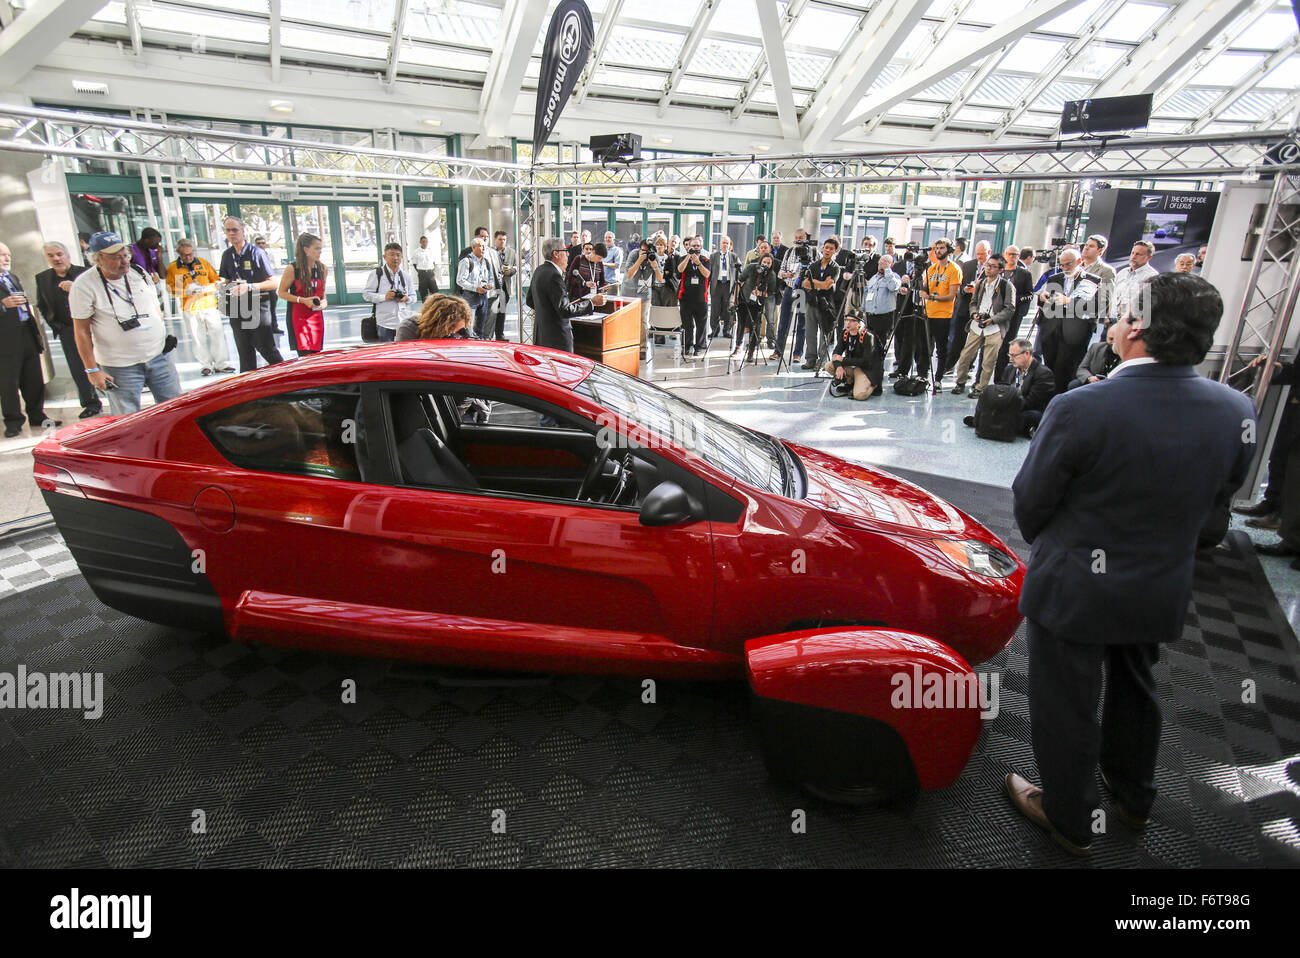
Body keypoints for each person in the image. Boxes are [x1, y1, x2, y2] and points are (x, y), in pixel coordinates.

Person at [1004, 274, 1256, 857]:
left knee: (1067, 700)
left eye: (1119, 315)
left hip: (1073, 590)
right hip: (1159, 586)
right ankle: (1133, 798)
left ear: (1137, 328)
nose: (1112, 323)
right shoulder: (1235, 409)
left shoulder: (1079, 408)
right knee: (1136, 688)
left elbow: (1030, 503)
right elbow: (1217, 518)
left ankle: (1068, 817)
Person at [69, 231, 181, 416]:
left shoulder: (138, 273)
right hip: (120, 366)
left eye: (125, 255)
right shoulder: (83, 285)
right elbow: (81, 331)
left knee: (175, 410)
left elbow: (154, 308)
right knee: (127, 418)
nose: (124, 261)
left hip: (158, 356)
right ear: (98, 260)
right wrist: (92, 370)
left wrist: (160, 334)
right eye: (116, 258)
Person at [1238, 352, 1300, 542]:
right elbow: (1297, 372)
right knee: (1280, 455)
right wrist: (1277, 370)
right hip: (1295, 403)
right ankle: (1272, 503)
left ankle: (1283, 518)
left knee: (1294, 466)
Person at [36, 241, 101, 417]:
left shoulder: (85, 274)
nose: (56, 258)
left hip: (93, 328)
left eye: (59, 254)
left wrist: (75, 289)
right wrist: (56, 326)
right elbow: (42, 305)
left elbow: (97, 296)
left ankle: (113, 394)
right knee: (78, 368)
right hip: (67, 330)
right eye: (50, 255)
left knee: (103, 362)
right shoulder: (42, 278)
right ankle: (91, 403)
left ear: (67, 255)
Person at [0, 242, 58, 437]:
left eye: (8, 254)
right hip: (5, 340)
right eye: (2, 255)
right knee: (9, 382)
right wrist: (2, 305)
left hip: (26, 333)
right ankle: (13, 421)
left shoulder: (12, 277)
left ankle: (37, 414)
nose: (7, 258)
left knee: (33, 378)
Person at [217, 216, 284, 372]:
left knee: (266, 348)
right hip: (236, 305)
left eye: (235, 229)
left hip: (256, 302)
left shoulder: (257, 253)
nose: (232, 233)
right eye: (228, 230)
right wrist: (220, 287)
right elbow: (226, 280)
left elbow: (273, 282)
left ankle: (287, 378)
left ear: (243, 230)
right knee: (244, 350)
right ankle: (248, 389)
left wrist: (250, 287)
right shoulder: (227, 255)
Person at [1035, 248, 1101, 396]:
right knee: (1050, 366)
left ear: (1079, 262)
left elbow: (1094, 307)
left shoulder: (1092, 280)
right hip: (1051, 330)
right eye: (1062, 265)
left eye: (1068, 265)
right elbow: (1046, 304)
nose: (1064, 268)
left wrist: (1069, 301)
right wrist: (1043, 298)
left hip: (1075, 333)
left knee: (1068, 369)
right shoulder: (1054, 278)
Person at [164, 238, 230, 377]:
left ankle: (221, 363)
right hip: (190, 307)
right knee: (197, 337)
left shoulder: (203, 263)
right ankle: (205, 365)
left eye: (190, 254)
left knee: (217, 334)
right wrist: (186, 292)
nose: (188, 257)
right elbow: (171, 289)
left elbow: (217, 281)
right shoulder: (173, 268)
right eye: (184, 255)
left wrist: (207, 288)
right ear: (179, 254)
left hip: (209, 304)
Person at [952, 253, 1015, 398]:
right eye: (987, 265)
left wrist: (993, 319)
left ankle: (981, 388)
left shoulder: (1007, 286)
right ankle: (960, 382)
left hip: (995, 327)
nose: (989, 269)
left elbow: (1010, 308)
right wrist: (974, 314)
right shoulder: (980, 283)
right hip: (977, 325)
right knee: (965, 356)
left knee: (988, 361)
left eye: (993, 267)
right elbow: (973, 303)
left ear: (1000, 270)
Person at [526, 237, 604, 353]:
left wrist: (548, 314)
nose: (568, 254)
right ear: (555, 254)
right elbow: (565, 310)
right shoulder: (554, 276)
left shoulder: (539, 270)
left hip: (541, 336)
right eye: (565, 251)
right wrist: (592, 302)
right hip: (557, 340)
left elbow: (530, 301)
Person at [963, 338, 1054, 438]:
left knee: (1031, 416)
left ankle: (984, 421)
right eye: (1010, 355)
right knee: (986, 399)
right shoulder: (1010, 369)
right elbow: (1002, 389)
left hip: (1026, 408)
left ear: (1027, 353)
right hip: (1009, 404)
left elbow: (1032, 402)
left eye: (1014, 355)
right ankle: (990, 421)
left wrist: (1005, 406)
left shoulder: (1043, 373)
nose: (1011, 359)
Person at [918, 238, 961, 392]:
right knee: (924, 347)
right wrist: (923, 292)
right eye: (937, 248)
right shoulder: (930, 269)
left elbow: (951, 295)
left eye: (942, 248)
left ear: (949, 250)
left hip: (944, 315)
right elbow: (925, 289)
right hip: (928, 313)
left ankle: (939, 378)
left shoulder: (954, 269)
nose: (938, 251)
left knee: (941, 349)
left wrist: (932, 297)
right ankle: (922, 375)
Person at [276, 233, 331, 354]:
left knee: (316, 354)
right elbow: (281, 292)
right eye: (316, 248)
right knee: (305, 353)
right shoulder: (293, 269)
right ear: (306, 249)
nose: (320, 252)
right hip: (299, 317)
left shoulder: (323, 269)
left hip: (316, 316)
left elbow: (323, 293)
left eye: (321, 248)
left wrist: (324, 302)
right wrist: (303, 300)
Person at [800, 238, 842, 371]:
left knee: (825, 332)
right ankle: (810, 359)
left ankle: (822, 360)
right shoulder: (813, 265)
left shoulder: (835, 268)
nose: (828, 250)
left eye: (831, 248)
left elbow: (828, 285)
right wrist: (821, 284)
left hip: (826, 304)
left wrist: (815, 283)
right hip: (811, 301)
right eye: (826, 247)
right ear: (822, 248)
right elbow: (805, 283)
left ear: (835, 251)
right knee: (810, 331)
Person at [732, 251, 779, 361]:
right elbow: (739, 281)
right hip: (744, 300)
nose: (766, 265)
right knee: (741, 324)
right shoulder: (751, 268)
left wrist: (761, 293)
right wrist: (734, 300)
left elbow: (771, 292)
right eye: (764, 262)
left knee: (755, 327)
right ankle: (738, 346)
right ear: (760, 261)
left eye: (768, 263)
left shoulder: (771, 275)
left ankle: (751, 352)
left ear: (771, 264)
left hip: (757, 303)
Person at [825, 312, 880, 400]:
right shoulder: (845, 333)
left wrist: (843, 359)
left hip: (867, 370)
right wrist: (839, 366)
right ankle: (850, 383)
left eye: (852, 320)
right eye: (846, 320)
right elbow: (836, 353)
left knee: (859, 395)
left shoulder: (868, 336)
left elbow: (866, 362)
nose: (848, 323)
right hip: (854, 366)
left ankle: (873, 386)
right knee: (829, 366)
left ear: (859, 323)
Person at [858, 252, 901, 361]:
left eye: (885, 263)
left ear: (891, 264)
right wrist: (862, 310)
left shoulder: (894, 277)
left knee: (879, 344)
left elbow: (893, 287)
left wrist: (887, 271)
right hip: (870, 315)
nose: (882, 265)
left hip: (884, 316)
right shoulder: (874, 278)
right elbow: (867, 294)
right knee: (869, 343)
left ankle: (878, 367)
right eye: (880, 263)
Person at [1109, 240, 1158, 330]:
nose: (1133, 257)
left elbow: (1149, 304)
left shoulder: (1152, 276)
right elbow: (1113, 295)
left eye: (1139, 254)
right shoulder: (1122, 272)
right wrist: (1108, 316)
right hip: (1111, 322)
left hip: (1131, 324)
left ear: (1149, 257)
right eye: (1133, 253)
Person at [456, 235, 498, 339]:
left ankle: (480, 343)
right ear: (474, 247)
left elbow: (491, 278)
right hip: (470, 296)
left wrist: (489, 285)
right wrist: (475, 288)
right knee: (468, 326)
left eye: (484, 246)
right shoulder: (466, 261)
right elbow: (460, 280)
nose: (483, 249)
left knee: (481, 325)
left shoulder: (486, 262)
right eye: (480, 246)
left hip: (483, 296)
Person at [675, 236, 711, 357]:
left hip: (701, 297)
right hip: (685, 297)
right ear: (688, 247)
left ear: (701, 247)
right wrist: (688, 258)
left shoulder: (705, 260)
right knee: (687, 324)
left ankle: (699, 346)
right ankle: (686, 346)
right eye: (693, 246)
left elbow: (707, 274)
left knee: (701, 324)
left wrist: (698, 263)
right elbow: (679, 271)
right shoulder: (682, 258)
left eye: (697, 246)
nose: (695, 248)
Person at [397, 292, 472, 342]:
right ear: (438, 325)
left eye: (458, 331)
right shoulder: (409, 328)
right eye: (451, 328)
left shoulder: (462, 329)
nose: (454, 334)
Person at [1068, 323, 1121, 389]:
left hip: (1112, 386)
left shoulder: (1126, 354)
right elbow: (1082, 369)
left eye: (1116, 339)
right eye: (1110, 339)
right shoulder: (1095, 347)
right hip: (1093, 383)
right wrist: (1090, 378)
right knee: (1074, 384)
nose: (1113, 342)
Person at [709, 236, 739, 340]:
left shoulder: (734, 256)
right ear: (720, 244)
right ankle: (714, 331)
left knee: (728, 309)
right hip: (717, 284)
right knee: (715, 309)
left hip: (728, 285)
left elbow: (739, 269)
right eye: (723, 243)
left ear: (730, 245)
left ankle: (727, 331)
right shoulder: (713, 256)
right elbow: (710, 271)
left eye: (727, 243)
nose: (725, 245)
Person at [490, 230, 517, 342]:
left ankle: (499, 335)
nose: (502, 242)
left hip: (505, 285)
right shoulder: (489, 251)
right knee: (492, 311)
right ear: (495, 240)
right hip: (493, 286)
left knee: (502, 311)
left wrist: (510, 272)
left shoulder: (511, 252)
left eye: (504, 240)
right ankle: (489, 335)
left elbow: (516, 266)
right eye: (500, 239)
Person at [253, 235, 282, 335]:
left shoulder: (270, 256)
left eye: (263, 243)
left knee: (272, 309)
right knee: (262, 311)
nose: (261, 245)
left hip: (271, 286)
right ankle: (265, 330)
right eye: (258, 243)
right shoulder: (254, 256)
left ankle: (274, 327)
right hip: (260, 287)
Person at [412, 234, 439, 300]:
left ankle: (436, 306)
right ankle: (425, 307)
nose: (425, 243)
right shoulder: (416, 252)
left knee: (434, 290)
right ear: (420, 242)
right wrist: (420, 271)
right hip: (422, 273)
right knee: (423, 292)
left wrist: (431, 270)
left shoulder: (431, 250)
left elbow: (434, 262)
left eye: (426, 242)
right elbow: (414, 264)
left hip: (430, 273)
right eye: (423, 242)